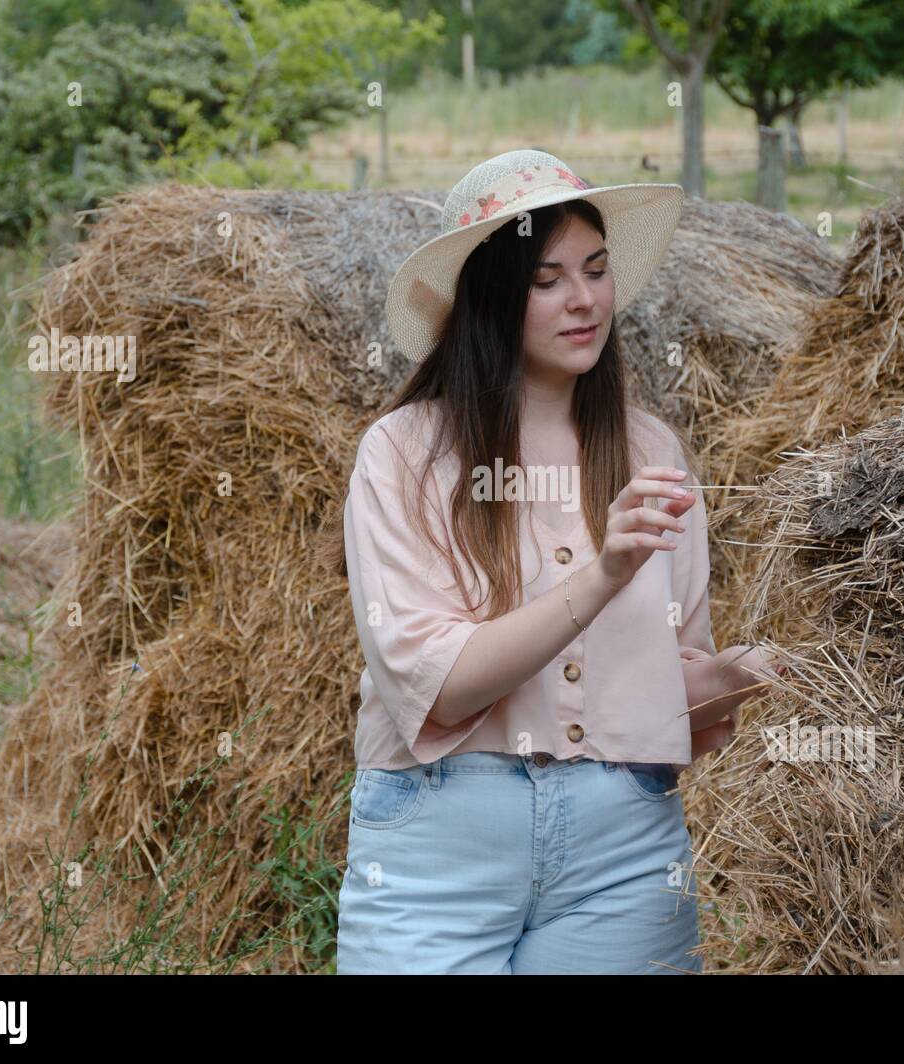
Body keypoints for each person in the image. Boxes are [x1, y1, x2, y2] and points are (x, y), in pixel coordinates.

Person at [331, 149, 778, 974]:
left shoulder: (651, 451)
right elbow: (437, 682)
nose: (585, 301)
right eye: (549, 280)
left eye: (597, 270)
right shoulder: (403, 456)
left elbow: (657, 688)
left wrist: (764, 670)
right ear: (494, 298)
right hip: (437, 854)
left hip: (625, 857)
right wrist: (603, 574)